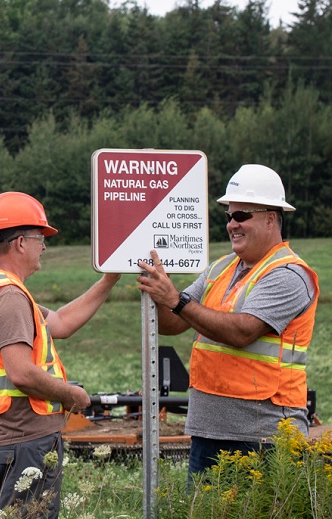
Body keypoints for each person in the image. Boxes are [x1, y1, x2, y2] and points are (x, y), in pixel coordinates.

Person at [0, 191, 120, 519]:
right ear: (20, 242)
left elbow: (62, 323)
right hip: (25, 444)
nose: (44, 245)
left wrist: (110, 279)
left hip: (11, 442)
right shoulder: (9, 297)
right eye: (39, 237)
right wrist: (72, 396)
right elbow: (21, 372)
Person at [135, 163, 319, 476]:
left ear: (271, 218)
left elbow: (242, 332)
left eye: (241, 215)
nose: (232, 224)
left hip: (265, 439)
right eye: (228, 216)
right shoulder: (220, 269)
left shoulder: (289, 274)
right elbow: (171, 324)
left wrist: (175, 299)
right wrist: (153, 286)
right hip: (208, 432)